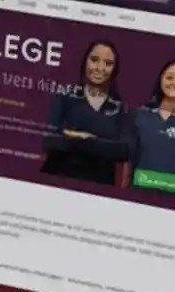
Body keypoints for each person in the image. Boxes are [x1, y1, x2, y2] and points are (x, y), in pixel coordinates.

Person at [41, 40, 135, 186]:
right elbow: (49, 141)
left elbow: (124, 151)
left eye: (108, 63)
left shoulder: (121, 108)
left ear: (115, 69)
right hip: (58, 182)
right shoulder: (64, 96)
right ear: (85, 61)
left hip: (98, 190)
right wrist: (99, 145)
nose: (100, 68)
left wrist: (75, 137)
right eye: (94, 60)